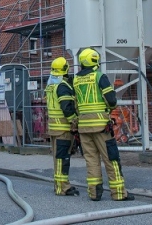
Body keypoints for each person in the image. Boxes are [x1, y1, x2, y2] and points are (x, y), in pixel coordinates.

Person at [73, 48, 134, 202]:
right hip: (101, 127)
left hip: (83, 127)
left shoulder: (75, 80)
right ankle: (119, 193)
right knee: (111, 159)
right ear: (94, 60)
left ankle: (94, 193)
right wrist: (106, 108)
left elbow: (75, 103)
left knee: (91, 160)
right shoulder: (100, 77)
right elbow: (112, 100)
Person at [44, 56, 79, 196]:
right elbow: (67, 107)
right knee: (62, 158)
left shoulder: (51, 85)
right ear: (65, 69)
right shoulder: (63, 86)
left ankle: (59, 185)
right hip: (63, 129)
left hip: (54, 128)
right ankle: (62, 188)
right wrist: (74, 122)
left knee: (58, 158)